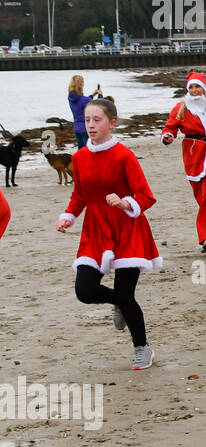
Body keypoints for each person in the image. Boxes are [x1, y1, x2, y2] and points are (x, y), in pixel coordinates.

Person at [56, 97, 161, 369]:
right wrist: (68, 217)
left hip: (127, 228)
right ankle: (120, 303)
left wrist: (126, 203)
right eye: (87, 120)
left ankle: (142, 349)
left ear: (111, 123)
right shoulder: (79, 158)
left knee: (127, 295)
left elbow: (146, 196)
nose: (91, 125)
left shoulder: (124, 156)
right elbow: (80, 195)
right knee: (85, 290)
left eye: (97, 120)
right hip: (95, 231)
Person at [161, 72, 206, 252]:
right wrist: (167, 136)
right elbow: (170, 128)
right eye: (191, 87)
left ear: (204, 88)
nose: (194, 90)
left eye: (197, 86)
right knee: (201, 197)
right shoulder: (180, 108)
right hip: (192, 154)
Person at [67, 75, 102, 150]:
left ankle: (79, 161)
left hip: (77, 127)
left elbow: (82, 101)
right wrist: (100, 95)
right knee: (87, 150)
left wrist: (92, 95)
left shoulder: (70, 98)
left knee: (80, 149)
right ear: (81, 85)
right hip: (86, 128)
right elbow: (99, 106)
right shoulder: (84, 100)